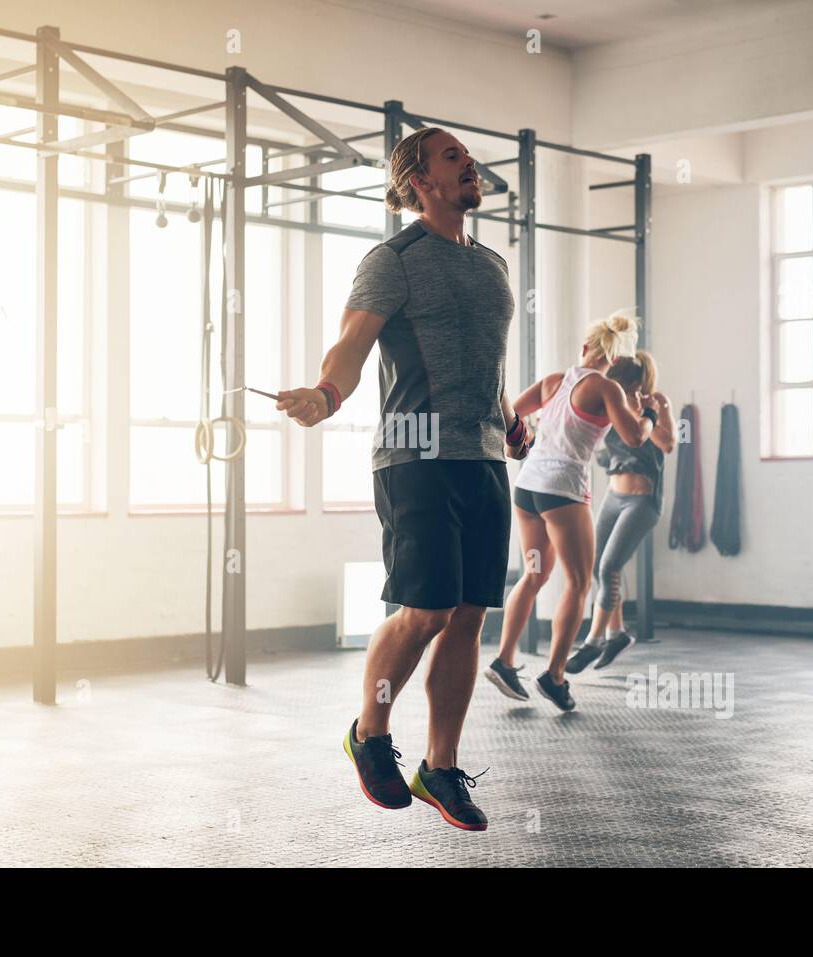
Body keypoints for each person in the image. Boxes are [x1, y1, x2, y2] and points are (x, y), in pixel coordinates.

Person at [276, 126, 532, 832]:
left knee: (471, 612)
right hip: (415, 454)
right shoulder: (393, 260)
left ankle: (440, 766)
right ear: (419, 180)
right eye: (453, 157)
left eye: (469, 158)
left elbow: (487, 363)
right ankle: (370, 732)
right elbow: (352, 346)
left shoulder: (491, 266)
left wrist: (509, 420)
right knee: (427, 612)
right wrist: (325, 395)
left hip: (481, 456)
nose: (469, 165)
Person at [485, 314, 654, 712]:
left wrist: (520, 439)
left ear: (585, 349)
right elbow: (634, 437)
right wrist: (650, 416)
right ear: (615, 360)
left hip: (528, 488)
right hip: (562, 492)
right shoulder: (607, 387)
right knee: (578, 583)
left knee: (535, 573)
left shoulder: (554, 380)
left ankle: (505, 660)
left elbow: (506, 409)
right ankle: (554, 675)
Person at [566, 351, 675, 673]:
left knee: (610, 566)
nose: (616, 392)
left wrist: (648, 414)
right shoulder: (611, 402)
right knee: (597, 564)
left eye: (622, 387)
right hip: (614, 497)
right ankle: (616, 634)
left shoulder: (656, 401)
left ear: (637, 384)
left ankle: (593, 640)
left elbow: (667, 443)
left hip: (643, 501)